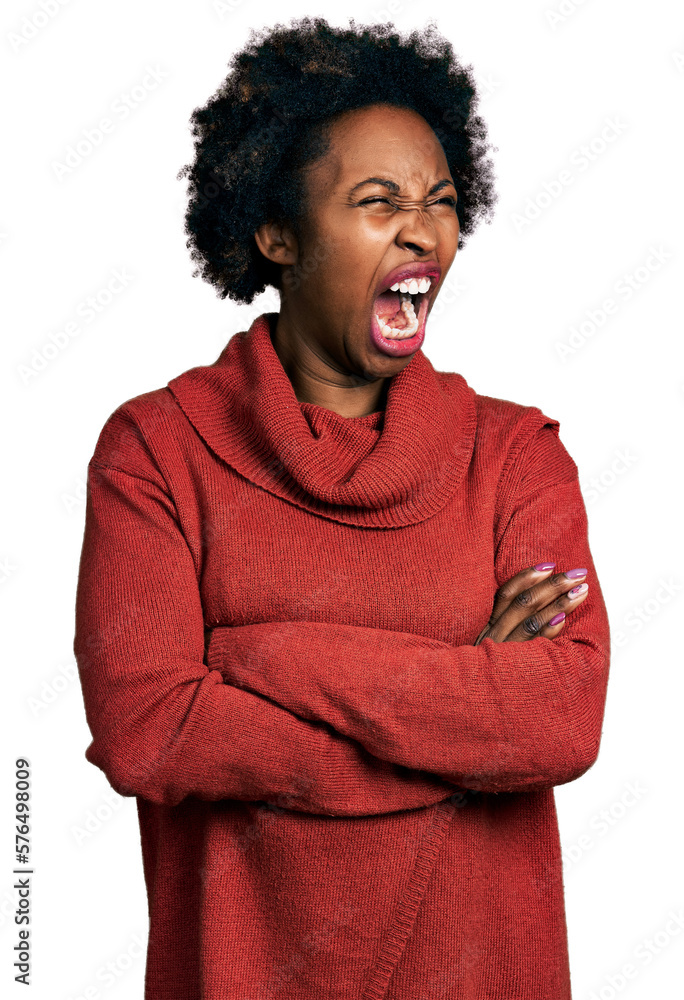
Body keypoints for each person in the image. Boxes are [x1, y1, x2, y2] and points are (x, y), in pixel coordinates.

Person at [73, 16, 610, 999]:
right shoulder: (155, 452)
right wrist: (462, 700)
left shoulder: (518, 457)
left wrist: (250, 656)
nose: (425, 230)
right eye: (379, 201)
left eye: (443, 203)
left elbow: (562, 717)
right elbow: (149, 726)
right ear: (274, 231)